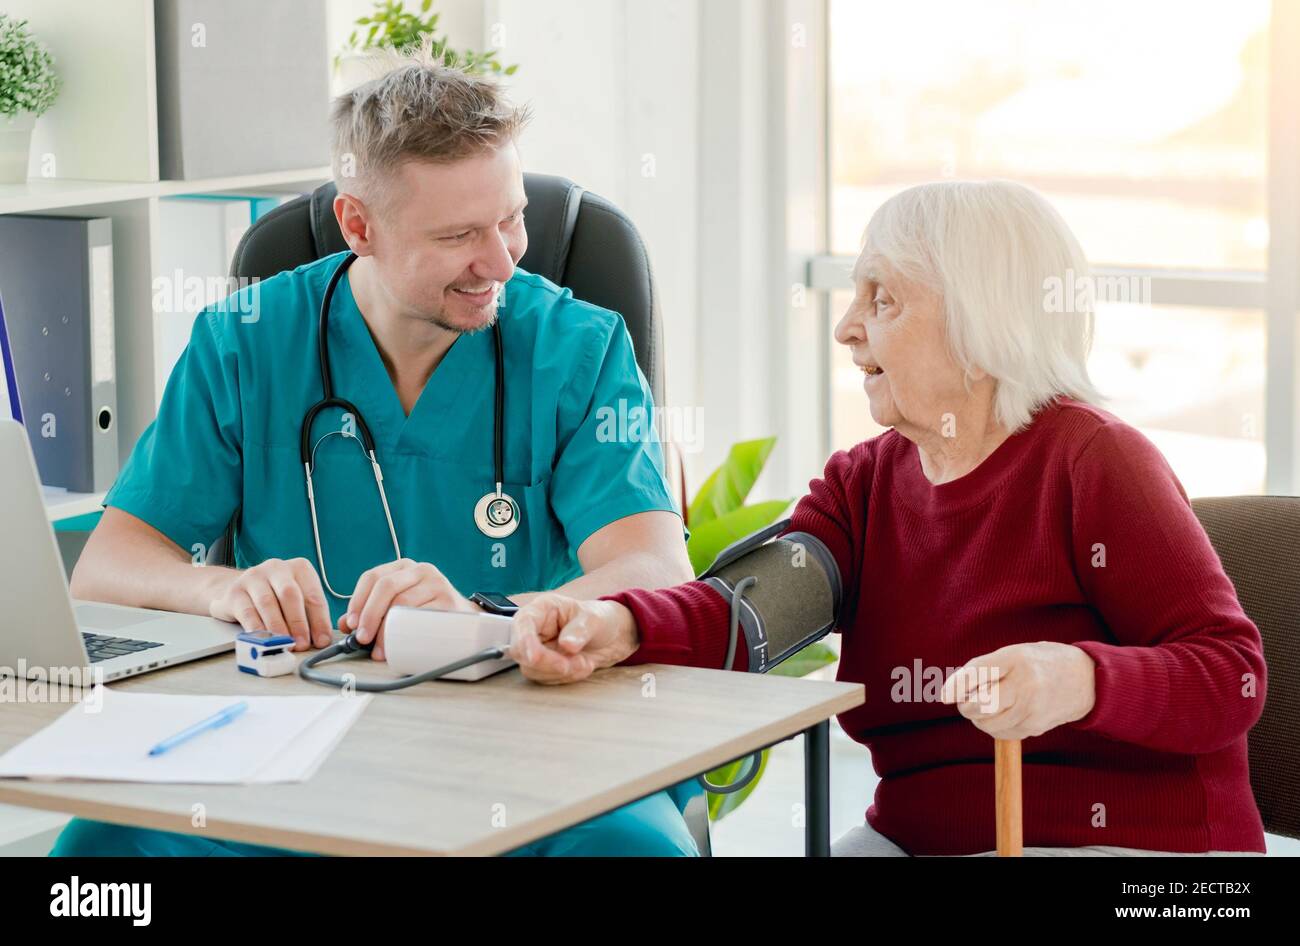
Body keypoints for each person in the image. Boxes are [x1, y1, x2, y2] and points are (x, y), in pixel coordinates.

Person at [52, 46, 699, 858]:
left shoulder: (577, 349)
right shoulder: (247, 342)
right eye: (460, 235)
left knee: (633, 850)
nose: (501, 261)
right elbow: (106, 567)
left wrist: (483, 618)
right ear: (360, 225)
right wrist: (225, 588)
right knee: (104, 847)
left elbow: (656, 571)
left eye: (511, 219)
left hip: (530, 735)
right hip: (299, 740)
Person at [508, 180, 1269, 856]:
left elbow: (1230, 674)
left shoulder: (1094, 461)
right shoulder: (864, 484)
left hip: (1134, 847)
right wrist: (624, 626)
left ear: (980, 327)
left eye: (883, 300)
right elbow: (751, 612)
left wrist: (1079, 680)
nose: (847, 329)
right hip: (918, 836)